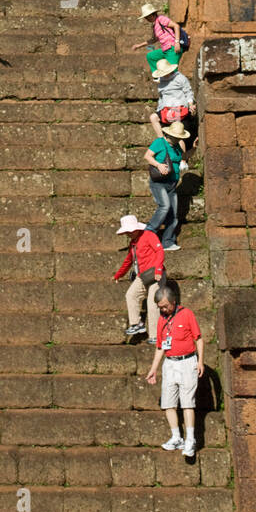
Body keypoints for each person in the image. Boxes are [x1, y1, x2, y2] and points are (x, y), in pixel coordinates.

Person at [145, 281, 204, 457]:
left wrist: (200, 361)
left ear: (173, 302)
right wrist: (153, 369)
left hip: (187, 362)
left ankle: (190, 439)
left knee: (187, 402)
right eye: (160, 307)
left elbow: (198, 338)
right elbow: (160, 346)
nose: (163, 310)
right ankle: (176, 437)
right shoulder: (161, 320)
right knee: (168, 402)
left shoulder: (187, 314)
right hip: (170, 363)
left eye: (165, 306)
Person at [113, 214, 165, 342]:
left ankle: (154, 336)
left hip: (155, 274)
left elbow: (160, 251)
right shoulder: (133, 243)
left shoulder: (149, 235)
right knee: (131, 295)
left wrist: (158, 270)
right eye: (127, 232)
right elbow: (128, 260)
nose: (129, 233)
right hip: (143, 275)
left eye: (130, 230)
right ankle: (136, 324)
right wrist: (118, 274)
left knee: (152, 304)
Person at [144, 121, 189, 253]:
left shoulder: (176, 146)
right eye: (177, 137)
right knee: (164, 207)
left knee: (173, 215)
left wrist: (194, 148)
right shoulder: (159, 142)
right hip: (159, 183)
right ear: (170, 135)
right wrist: (158, 165)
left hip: (172, 183)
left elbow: (183, 157)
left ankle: (168, 242)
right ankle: (148, 232)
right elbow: (147, 156)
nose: (179, 139)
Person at [130, 2, 183, 73]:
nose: (146, 19)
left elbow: (176, 26)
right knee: (151, 56)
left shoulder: (161, 19)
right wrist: (139, 45)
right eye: (145, 17)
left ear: (152, 14)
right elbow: (154, 40)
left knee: (172, 72)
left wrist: (177, 42)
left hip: (172, 48)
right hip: (165, 50)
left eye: (147, 16)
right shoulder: (155, 25)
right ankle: (157, 74)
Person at [148, 59, 196, 136]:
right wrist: (159, 109)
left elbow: (188, 92)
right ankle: (162, 139)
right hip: (165, 108)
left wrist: (190, 104)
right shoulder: (161, 81)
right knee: (153, 117)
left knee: (176, 129)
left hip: (178, 107)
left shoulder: (180, 78)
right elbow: (161, 97)